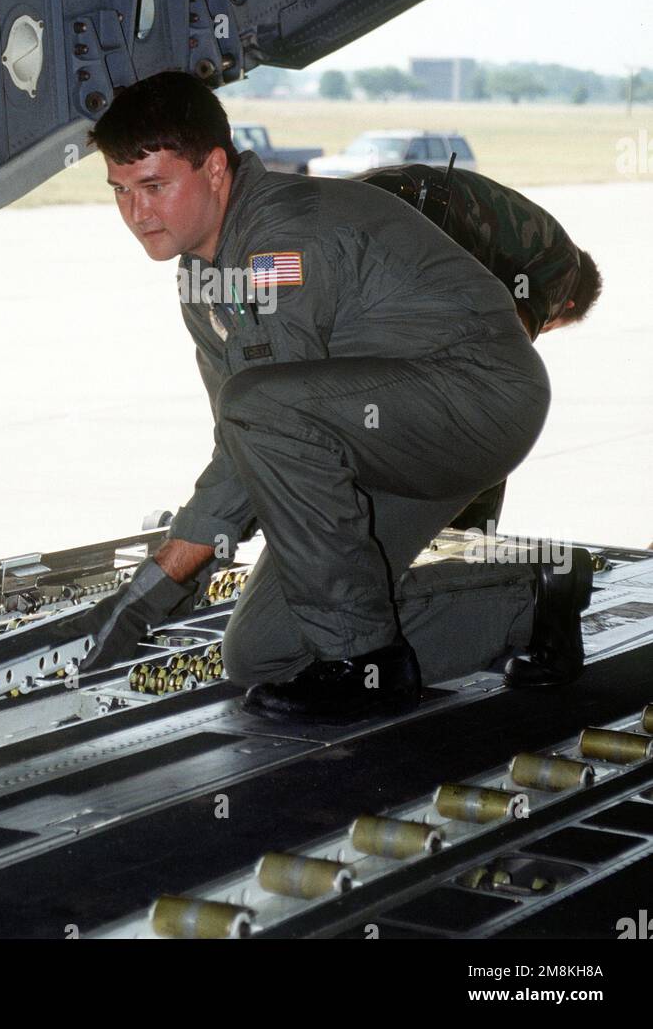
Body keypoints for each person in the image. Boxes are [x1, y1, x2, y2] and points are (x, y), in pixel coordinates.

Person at [73, 74, 591, 724]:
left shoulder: (281, 244)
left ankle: (368, 667)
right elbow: (242, 446)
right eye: (120, 191)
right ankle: (533, 601)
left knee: (266, 414)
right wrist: (168, 576)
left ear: (212, 169)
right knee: (261, 653)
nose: (136, 213)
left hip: (478, 396)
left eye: (154, 186)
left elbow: (263, 423)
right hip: (385, 433)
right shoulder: (203, 277)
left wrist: (158, 583)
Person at [360, 162, 603, 534]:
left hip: (361, 206)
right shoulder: (561, 271)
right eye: (550, 326)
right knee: (491, 423)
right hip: (414, 220)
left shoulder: (534, 237)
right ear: (566, 307)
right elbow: (504, 355)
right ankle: (466, 548)